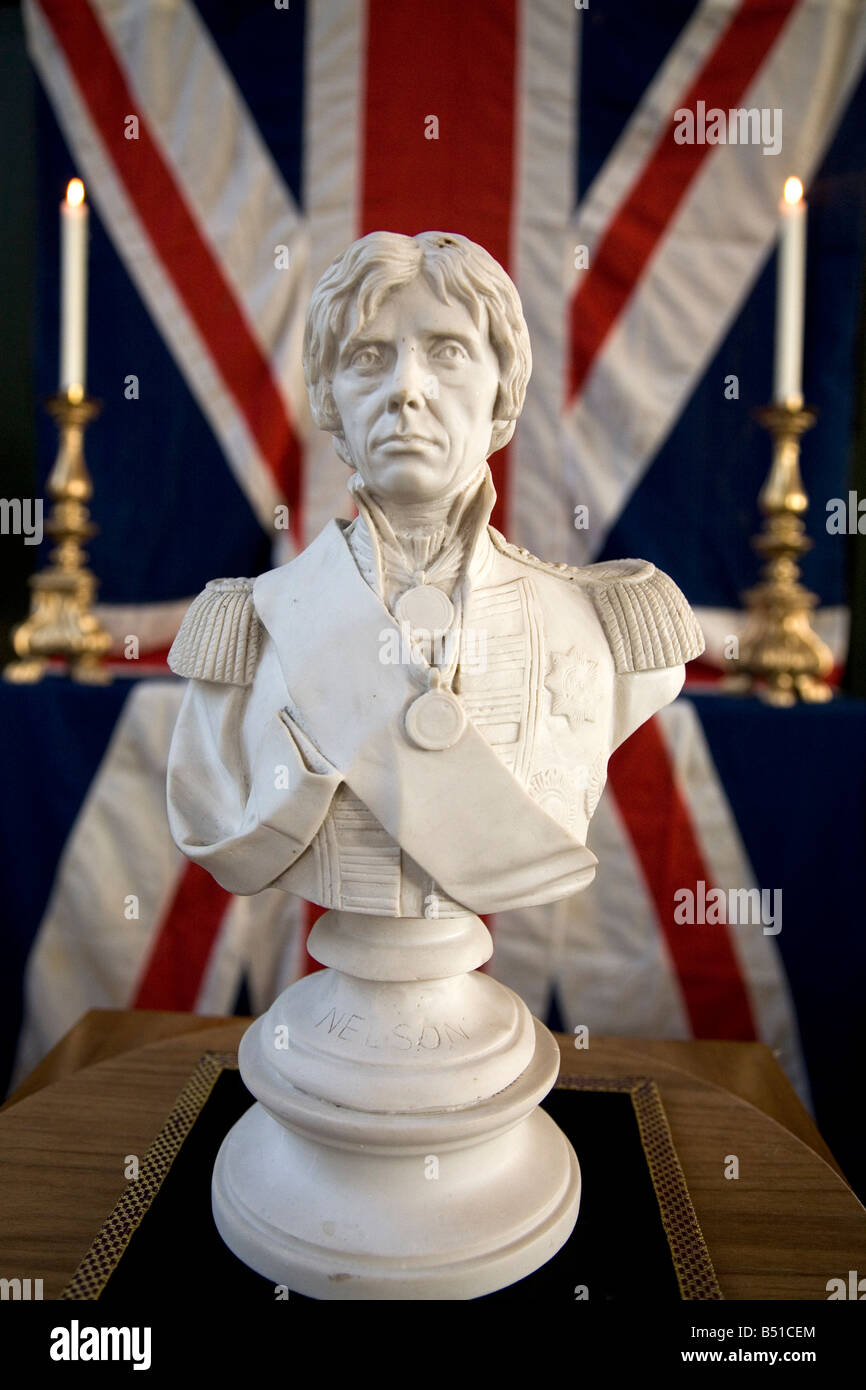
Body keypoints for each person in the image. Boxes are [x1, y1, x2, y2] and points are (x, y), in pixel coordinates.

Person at [166, 230, 704, 916]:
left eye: (447, 351)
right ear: (330, 398)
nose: (406, 390)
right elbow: (213, 814)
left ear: (503, 389)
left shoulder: (605, 620)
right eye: (368, 357)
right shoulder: (253, 622)